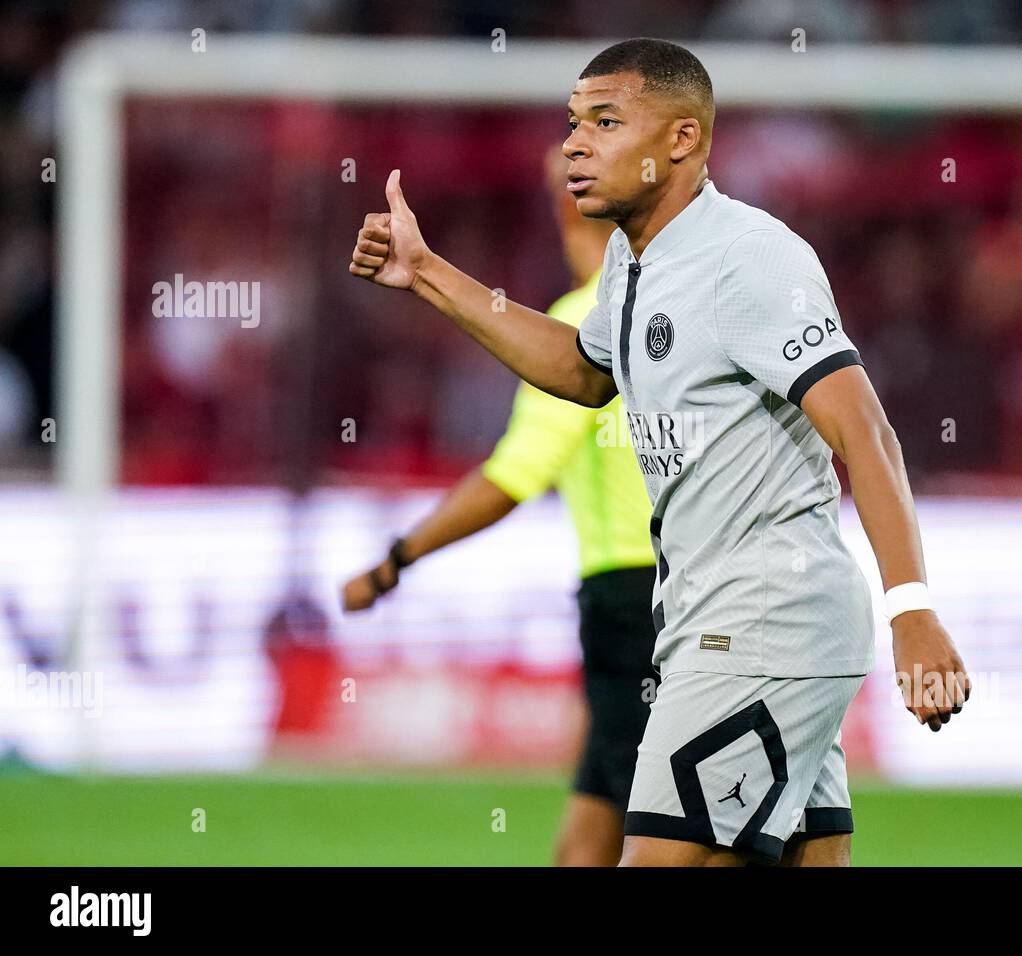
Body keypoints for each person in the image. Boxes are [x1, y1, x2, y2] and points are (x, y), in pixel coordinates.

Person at [348, 37, 969, 867]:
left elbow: (866, 432)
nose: (575, 143)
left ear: (680, 140)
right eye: (573, 123)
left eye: (606, 121)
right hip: (717, 620)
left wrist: (913, 610)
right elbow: (579, 368)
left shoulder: (749, 256)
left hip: (759, 622)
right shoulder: (633, 262)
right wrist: (427, 273)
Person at [341, 149, 659, 866]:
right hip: (677, 597)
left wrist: (396, 560)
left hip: (631, 602)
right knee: (603, 820)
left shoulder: (586, 325)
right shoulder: (664, 315)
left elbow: (511, 478)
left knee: (643, 836)